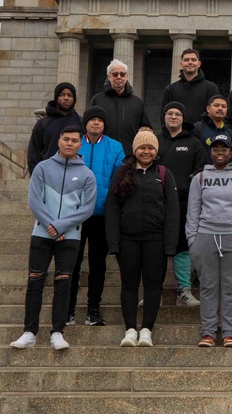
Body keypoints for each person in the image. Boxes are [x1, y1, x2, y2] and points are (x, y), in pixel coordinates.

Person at [10, 126, 96, 351]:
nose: (69, 143)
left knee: (64, 283)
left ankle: (58, 332)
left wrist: (59, 227)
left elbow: (87, 208)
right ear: (59, 141)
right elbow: (34, 199)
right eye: (66, 139)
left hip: (70, 236)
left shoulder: (87, 174)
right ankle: (29, 332)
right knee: (35, 281)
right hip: (41, 233)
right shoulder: (42, 167)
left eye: (74, 140)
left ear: (80, 144)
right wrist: (50, 225)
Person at [106, 130, 180, 348]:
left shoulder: (164, 174)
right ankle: (130, 329)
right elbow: (112, 208)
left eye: (150, 148)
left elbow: (173, 211)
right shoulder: (122, 173)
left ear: (156, 151)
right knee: (128, 285)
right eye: (142, 147)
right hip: (127, 240)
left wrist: (170, 245)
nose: (146, 151)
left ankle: (147, 329)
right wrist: (113, 242)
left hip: (155, 240)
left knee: (153, 286)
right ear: (135, 150)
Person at [187, 134, 232, 347]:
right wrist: (193, 241)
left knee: (230, 288)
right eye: (216, 149)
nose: (220, 152)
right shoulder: (199, 178)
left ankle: (229, 333)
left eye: (224, 149)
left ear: (230, 152)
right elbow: (193, 212)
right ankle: (207, 332)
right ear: (211, 152)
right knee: (207, 287)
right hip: (205, 237)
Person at [68, 106, 125, 327]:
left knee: (98, 265)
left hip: (101, 215)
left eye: (100, 120)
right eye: (92, 119)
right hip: (74, 216)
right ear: (86, 123)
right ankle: (68, 310)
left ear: (104, 125)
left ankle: (93, 310)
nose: (96, 123)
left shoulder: (115, 147)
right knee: (72, 264)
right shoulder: (74, 143)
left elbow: (119, 179)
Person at [156, 101, 208, 307]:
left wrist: (184, 185)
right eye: (170, 113)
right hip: (157, 202)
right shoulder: (156, 140)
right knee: (156, 248)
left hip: (185, 202)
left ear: (183, 118)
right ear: (164, 117)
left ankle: (184, 291)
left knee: (182, 246)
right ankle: (154, 292)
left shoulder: (194, 143)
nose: (174, 117)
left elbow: (202, 169)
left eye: (178, 113)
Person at [89, 60, 152, 153]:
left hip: (129, 155)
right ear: (108, 77)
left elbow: (146, 129)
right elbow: (88, 127)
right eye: (115, 74)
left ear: (126, 77)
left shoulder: (137, 102)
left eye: (122, 74)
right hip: (102, 153)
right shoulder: (97, 100)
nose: (119, 77)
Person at [26, 82, 83, 173]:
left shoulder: (81, 122)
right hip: (48, 173)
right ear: (56, 97)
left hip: (75, 173)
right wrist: (36, 174)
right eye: (62, 95)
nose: (66, 98)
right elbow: (34, 152)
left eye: (70, 95)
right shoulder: (43, 123)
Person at [160, 48, 220, 127]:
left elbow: (215, 115)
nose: (190, 62)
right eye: (186, 60)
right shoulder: (170, 89)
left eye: (193, 60)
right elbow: (163, 116)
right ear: (181, 64)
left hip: (202, 136)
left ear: (199, 63)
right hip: (177, 136)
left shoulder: (211, 88)